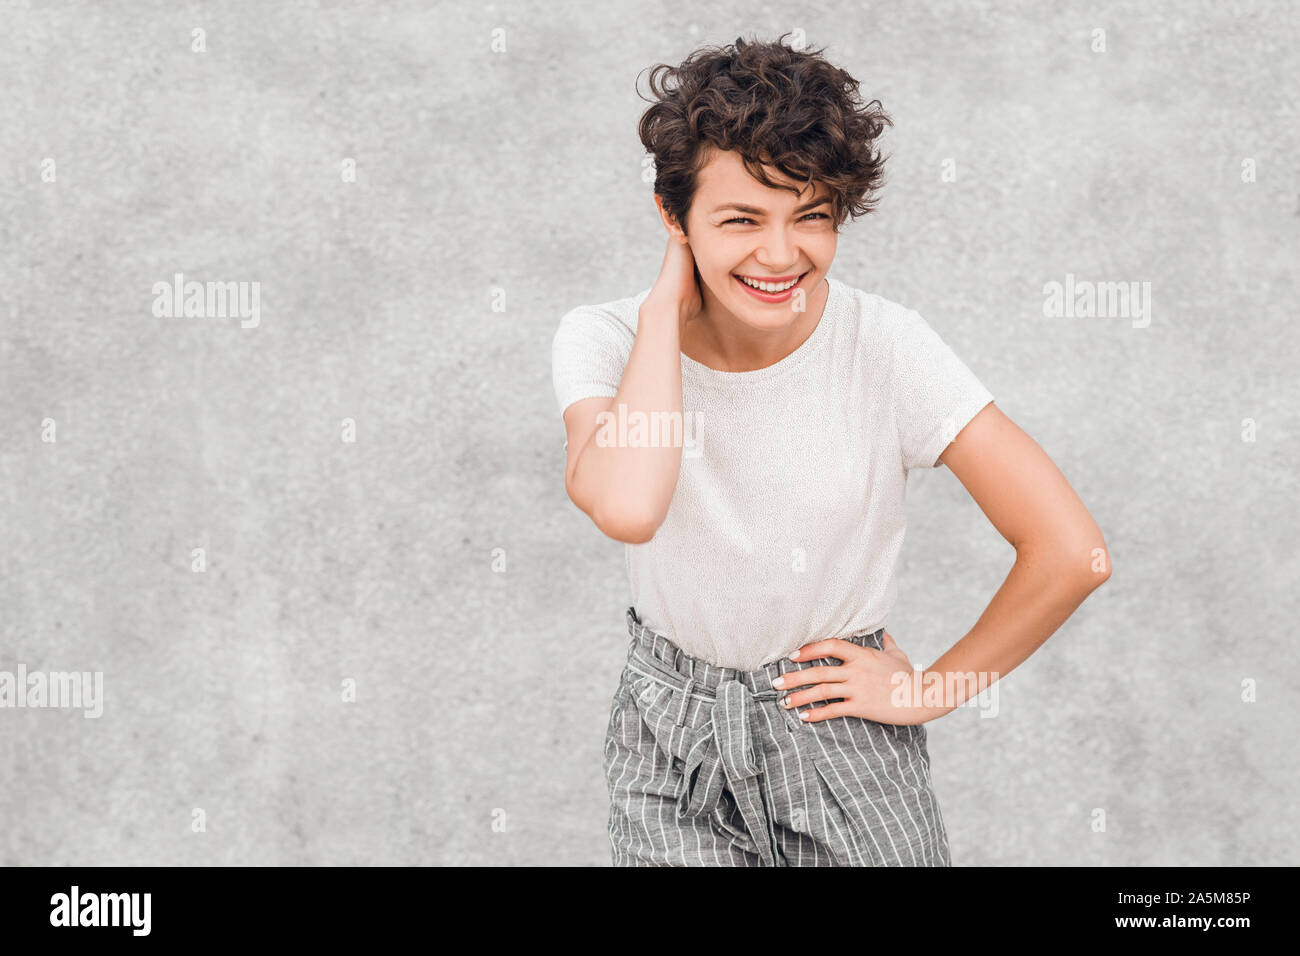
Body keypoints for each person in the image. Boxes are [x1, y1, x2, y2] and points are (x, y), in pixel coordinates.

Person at [550, 33, 1111, 866]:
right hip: (668, 742)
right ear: (673, 216)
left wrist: (931, 690)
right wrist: (665, 314)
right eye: (741, 219)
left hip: (836, 735)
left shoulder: (885, 346)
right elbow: (630, 506)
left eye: (810, 217)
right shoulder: (603, 339)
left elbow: (1074, 553)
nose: (782, 256)